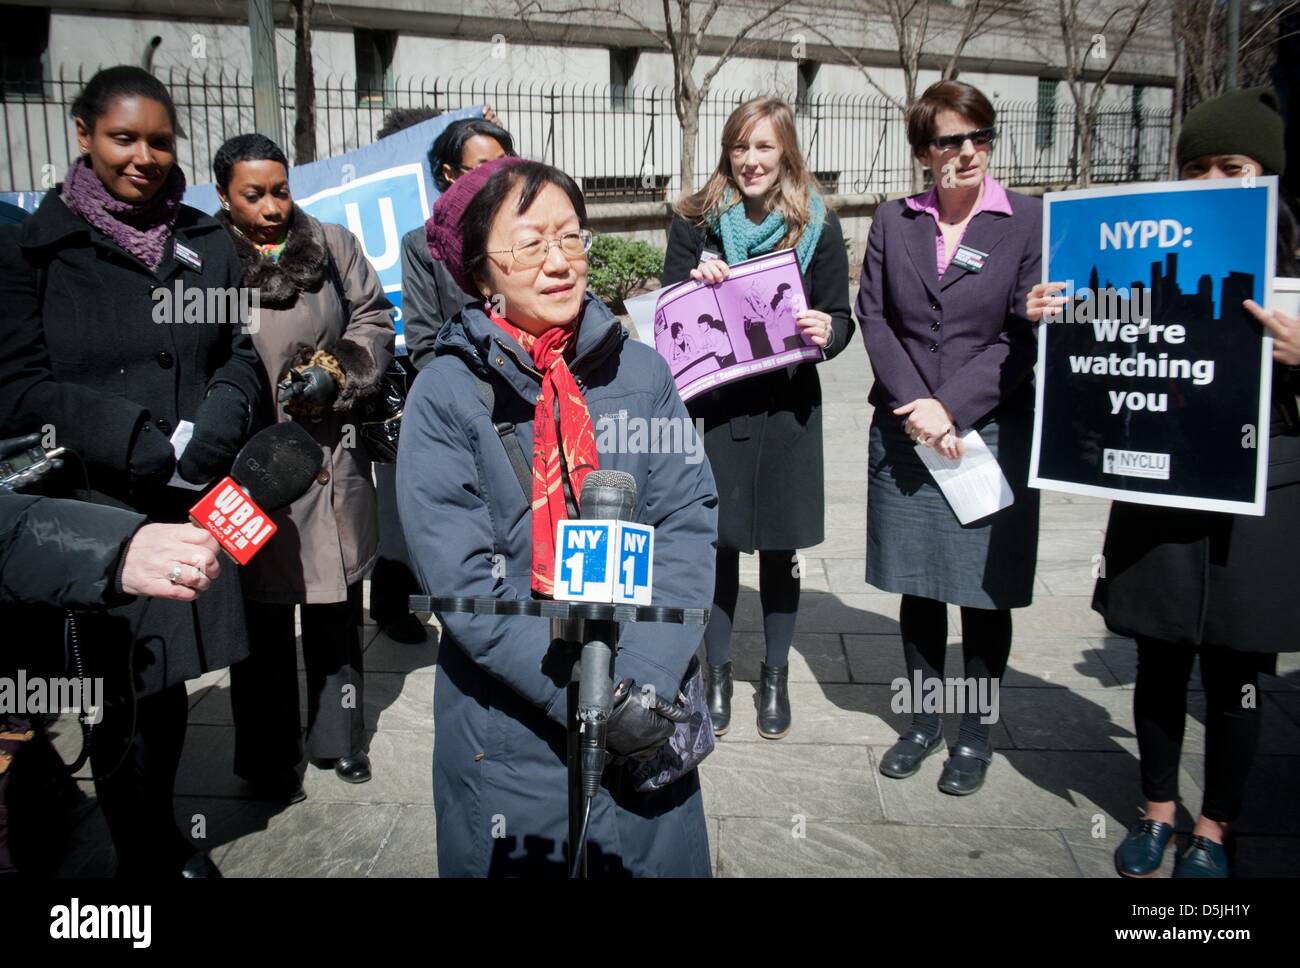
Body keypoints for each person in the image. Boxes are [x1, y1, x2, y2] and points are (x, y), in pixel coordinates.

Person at [397, 156, 718, 876]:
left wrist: (645, 684)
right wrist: (586, 697)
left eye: (570, 238)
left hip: (645, 715)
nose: (559, 262)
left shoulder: (639, 374)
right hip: (514, 723)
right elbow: (467, 586)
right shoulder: (448, 395)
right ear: (481, 272)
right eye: (531, 243)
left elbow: (687, 519)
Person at [1028, 87, 1300, 878]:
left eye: (1233, 165)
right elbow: (1100, 379)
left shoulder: (1295, 271)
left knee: (1237, 678)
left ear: (1266, 174)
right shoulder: (1139, 255)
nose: (1214, 177)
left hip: (1261, 499)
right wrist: (1058, 317)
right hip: (1157, 487)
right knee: (1158, 660)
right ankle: (1154, 812)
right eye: (1197, 166)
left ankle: (1215, 830)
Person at [0, 66, 263, 876]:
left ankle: (156, 831)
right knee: (111, 695)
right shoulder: (33, 247)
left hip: (185, 499)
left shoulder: (210, 243)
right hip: (91, 509)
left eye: (159, 140)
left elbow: (241, 355)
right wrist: (136, 436)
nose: (144, 156)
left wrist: (217, 425)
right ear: (83, 135)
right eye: (124, 138)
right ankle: (142, 854)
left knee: (164, 687)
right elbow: (17, 387)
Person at [855, 80, 1041, 796]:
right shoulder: (894, 220)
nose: (966, 152)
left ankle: (976, 735)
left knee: (981, 592)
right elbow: (875, 318)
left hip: (987, 428)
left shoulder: (1026, 221)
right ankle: (925, 721)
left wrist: (951, 407)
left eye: (978, 137)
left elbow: (1021, 334)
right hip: (907, 430)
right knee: (921, 583)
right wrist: (917, 404)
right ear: (923, 152)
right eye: (949, 140)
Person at [662, 96, 854, 740]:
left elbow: (841, 319)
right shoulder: (695, 221)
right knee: (718, 545)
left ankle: (774, 676)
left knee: (781, 548)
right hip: (721, 411)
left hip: (790, 408)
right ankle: (717, 673)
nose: (751, 161)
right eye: (740, 147)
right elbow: (667, 312)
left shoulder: (818, 226)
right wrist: (695, 281)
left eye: (764, 147)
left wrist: (828, 330)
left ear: (786, 152)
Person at [212, 133, 395, 801]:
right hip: (248, 464)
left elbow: (375, 316)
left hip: (328, 453)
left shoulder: (333, 243)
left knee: (335, 608)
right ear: (225, 195)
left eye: (279, 190)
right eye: (252, 194)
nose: (270, 207)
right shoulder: (208, 258)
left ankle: (338, 740)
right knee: (257, 624)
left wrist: (336, 371)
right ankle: (265, 759)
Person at [371, 112, 517, 644]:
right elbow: (425, 339)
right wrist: (473, 395)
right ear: (450, 175)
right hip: (463, 410)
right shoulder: (421, 245)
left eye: (505, 163)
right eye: (482, 165)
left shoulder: (525, 240)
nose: (497, 175)